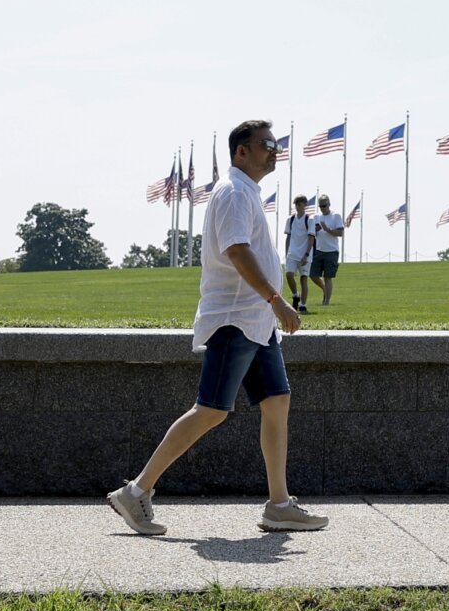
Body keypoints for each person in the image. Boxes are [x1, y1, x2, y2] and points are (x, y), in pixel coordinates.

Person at [106, 119, 326, 537]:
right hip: (235, 318)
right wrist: (277, 299)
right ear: (241, 151)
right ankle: (136, 491)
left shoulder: (247, 193)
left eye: (275, 145)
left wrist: (269, 307)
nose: (273, 151)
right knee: (210, 410)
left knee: (277, 402)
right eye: (265, 144)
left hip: (256, 322)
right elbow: (237, 251)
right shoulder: (232, 193)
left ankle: (279, 505)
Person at [307, 196, 343, 306]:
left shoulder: (336, 216)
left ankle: (327, 301)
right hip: (319, 250)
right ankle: (324, 290)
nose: (323, 208)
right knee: (313, 274)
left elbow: (340, 233)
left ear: (329, 204)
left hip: (332, 251)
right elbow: (313, 233)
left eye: (324, 205)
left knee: (328, 277)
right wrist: (316, 230)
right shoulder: (316, 217)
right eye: (321, 206)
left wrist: (328, 229)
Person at [283, 195, 315, 313]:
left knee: (304, 278)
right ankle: (296, 295)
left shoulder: (309, 220)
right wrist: (287, 253)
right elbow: (288, 236)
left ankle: (303, 304)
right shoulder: (290, 220)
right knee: (289, 275)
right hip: (293, 253)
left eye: (300, 204)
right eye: (296, 204)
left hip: (305, 254)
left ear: (305, 205)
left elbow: (311, 237)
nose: (297, 207)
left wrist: (306, 254)